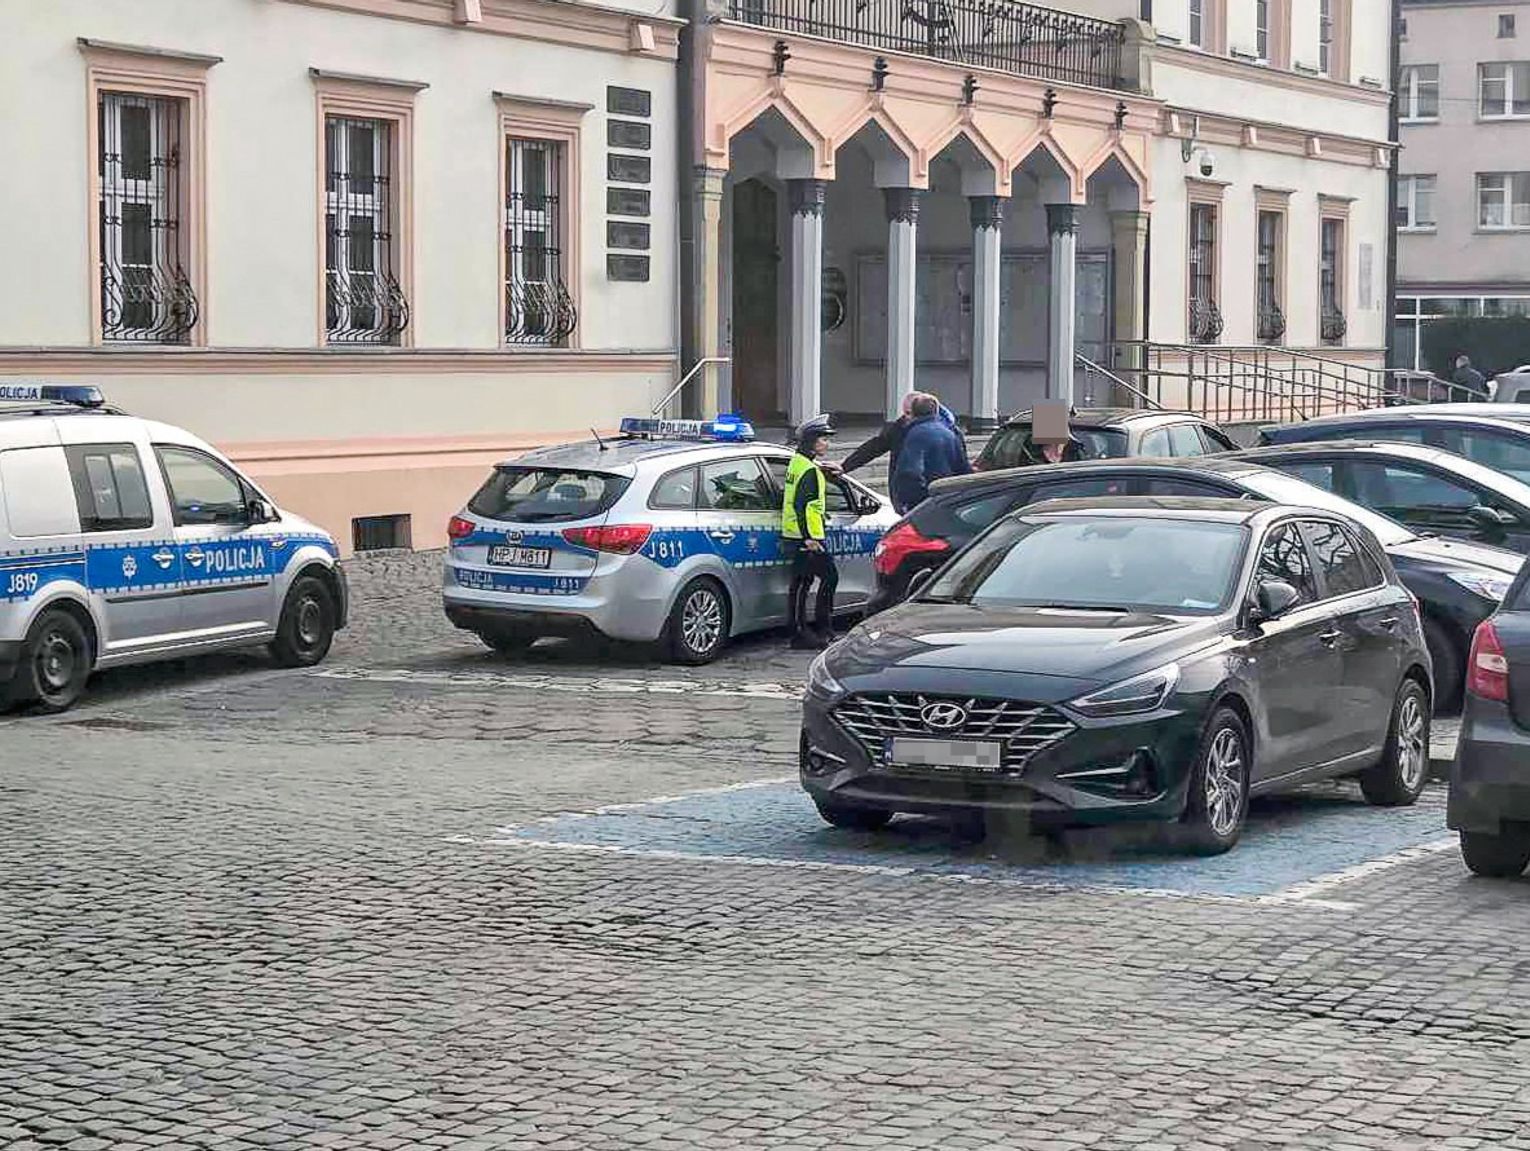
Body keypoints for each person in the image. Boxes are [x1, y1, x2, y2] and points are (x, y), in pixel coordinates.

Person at [782, 413, 839, 650]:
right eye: (823, 439)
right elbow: (803, 506)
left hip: (798, 534)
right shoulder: (809, 471)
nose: (827, 443)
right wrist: (810, 538)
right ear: (811, 441)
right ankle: (812, 630)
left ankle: (807, 630)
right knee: (826, 577)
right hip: (806, 537)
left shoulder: (800, 464)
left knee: (802, 582)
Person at [890, 394, 971, 513]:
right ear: (936, 411)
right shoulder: (949, 434)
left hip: (926, 502)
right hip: (947, 498)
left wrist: (911, 501)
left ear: (913, 413)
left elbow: (910, 472)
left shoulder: (916, 434)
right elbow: (962, 468)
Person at [841, 391, 916, 477]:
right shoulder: (899, 427)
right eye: (906, 413)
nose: (907, 418)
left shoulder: (930, 432)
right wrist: (844, 466)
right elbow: (873, 448)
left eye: (910, 413)